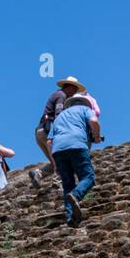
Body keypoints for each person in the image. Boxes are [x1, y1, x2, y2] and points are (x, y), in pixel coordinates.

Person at [48, 81, 101, 227]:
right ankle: (76, 195)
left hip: (58, 150)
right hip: (77, 145)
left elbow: (49, 141)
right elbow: (94, 121)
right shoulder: (85, 110)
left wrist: (54, 163)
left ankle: (71, 218)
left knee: (68, 184)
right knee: (88, 177)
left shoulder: (60, 116)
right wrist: (96, 136)